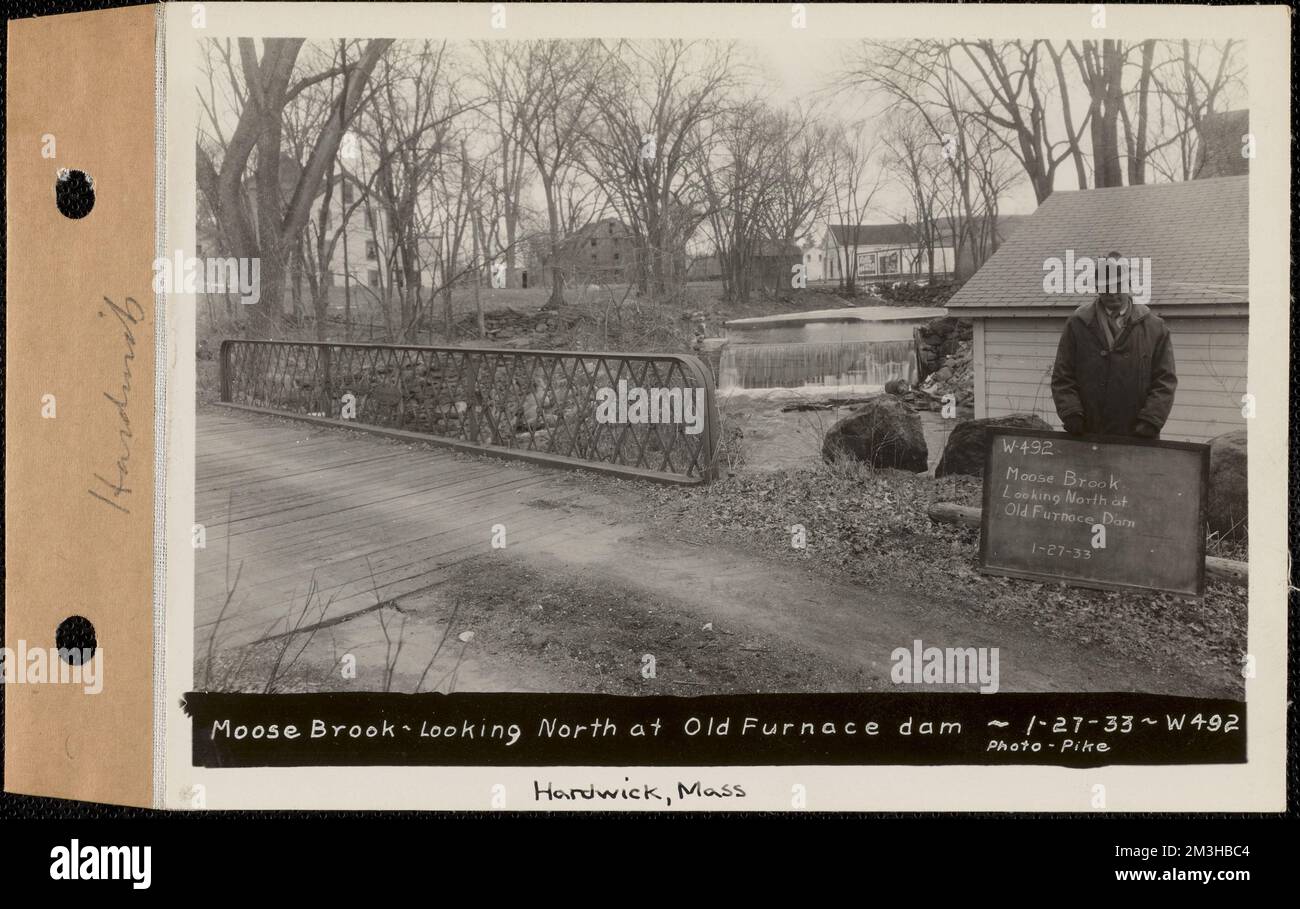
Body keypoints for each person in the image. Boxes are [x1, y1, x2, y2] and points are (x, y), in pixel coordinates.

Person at [1051, 252, 1177, 438]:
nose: (1112, 292)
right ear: (1097, 288)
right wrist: (1071, 413)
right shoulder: (1077, 324)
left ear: (1130, 285)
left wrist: (1151, 420)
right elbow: (1063, 376)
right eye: (1105, 286)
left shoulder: (1155, 328)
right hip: (1087, 432)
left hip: (1137, 434)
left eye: (1118, 285)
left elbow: (1165, 380)